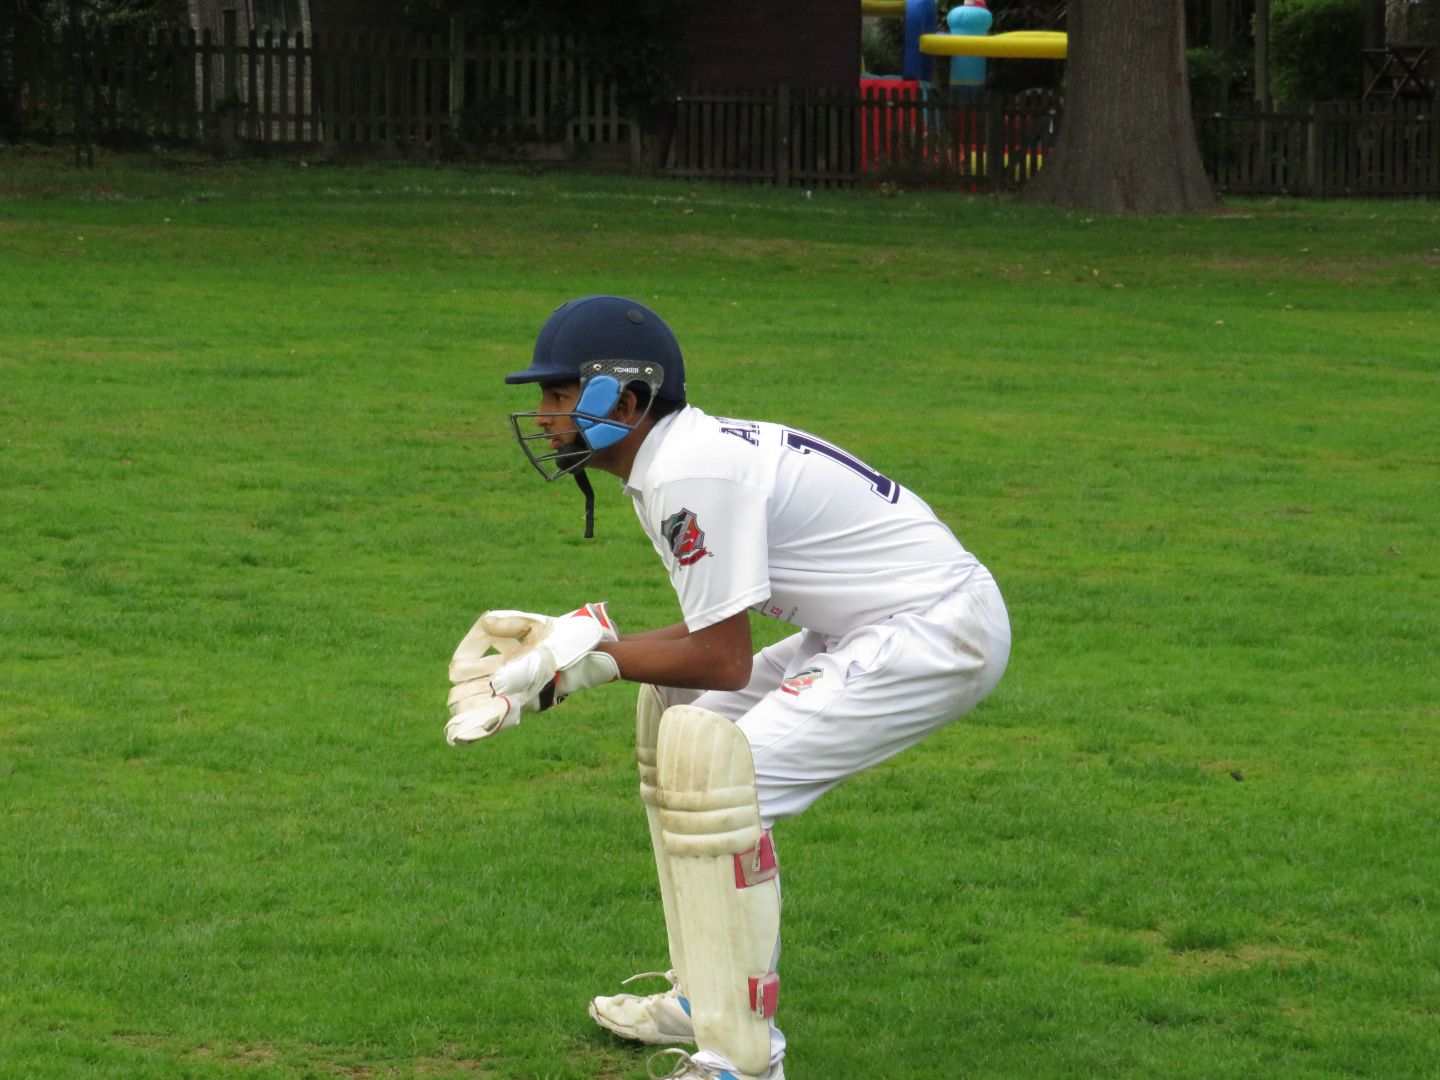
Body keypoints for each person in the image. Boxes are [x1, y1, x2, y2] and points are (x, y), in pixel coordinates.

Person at [444, 296, 1011, 1080]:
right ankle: (702, 998)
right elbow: (707, 642)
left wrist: (582, 660)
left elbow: (722, 658)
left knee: (721, 777)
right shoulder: (667, 463)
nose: (543, 416)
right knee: (675, 724)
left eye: (558, 395)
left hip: (935, 630)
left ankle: (742, 1063)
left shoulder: (688, 471)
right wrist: (569, 659)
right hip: (870, 623)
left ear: (627, 400)